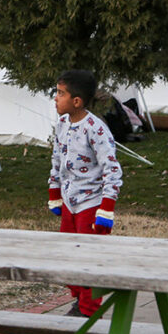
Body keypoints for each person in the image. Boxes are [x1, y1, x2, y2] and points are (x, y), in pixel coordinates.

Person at [48, 69, 122, 317]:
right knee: (69, 255)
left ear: (76, 101)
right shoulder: (61, 124)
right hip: (70, 201)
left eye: (60, 93)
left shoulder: (95, 129)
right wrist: (54, 191)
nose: (56, 98)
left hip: (91, 204)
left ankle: (90, 309)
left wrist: (107, 209)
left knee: (89, 257)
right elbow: (57, 158)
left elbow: (111, 168)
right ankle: (79, 300)